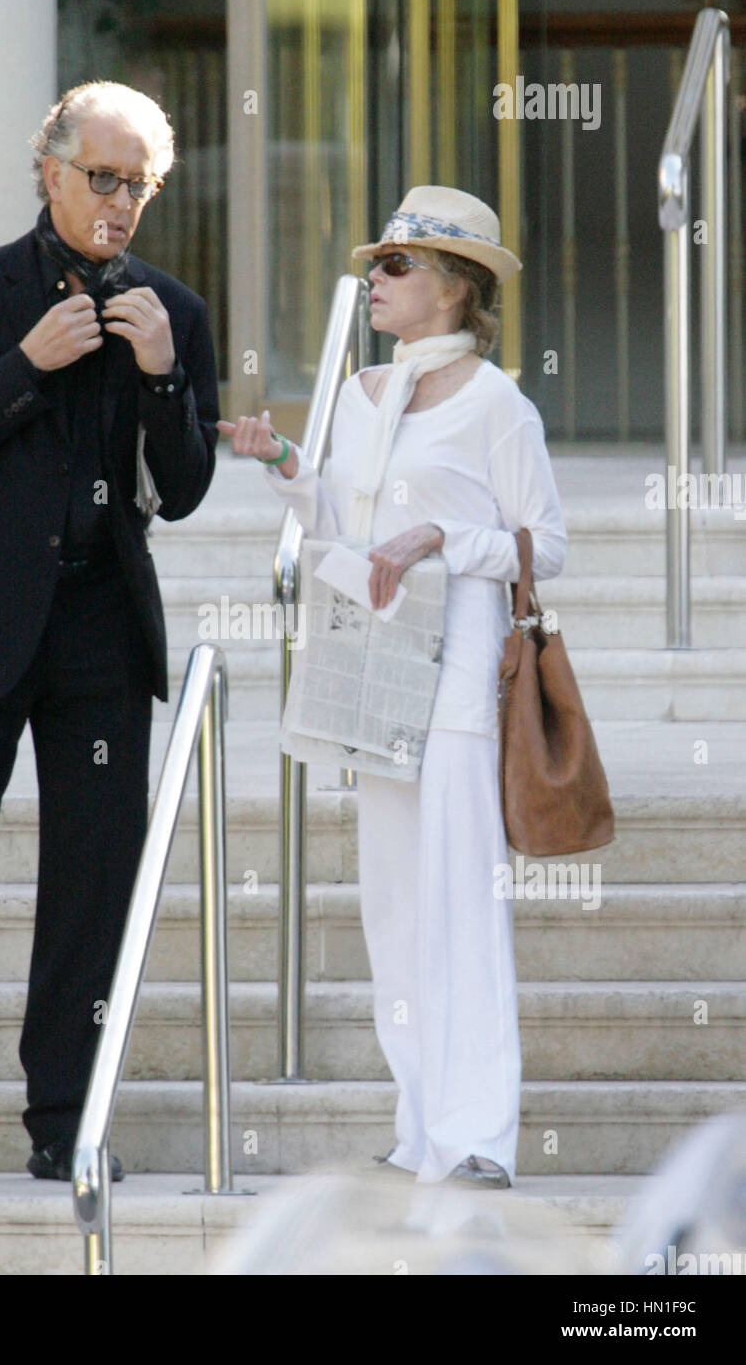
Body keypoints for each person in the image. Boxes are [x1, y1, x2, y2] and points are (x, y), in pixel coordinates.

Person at [0, 81, 219, 1183]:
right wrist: (27, 368)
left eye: (140, 185)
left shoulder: (172, 310)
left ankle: (66, 1118)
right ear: (51, 171)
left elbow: (192, 483)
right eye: (102, 178)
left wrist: (164, 378)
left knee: (91, 883)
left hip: (100, 632)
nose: (120, 203)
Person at [220, 185, 567, 1188]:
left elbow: (550, 544)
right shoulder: (361, 393)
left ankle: (478, 1135)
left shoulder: (499, 404)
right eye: (378, 263)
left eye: (398, 266)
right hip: (368, 661)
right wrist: (286, 464)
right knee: (393, 908)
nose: (375, 278)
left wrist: (441, 537)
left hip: (457, 669)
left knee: (461, 900)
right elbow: (338, 523)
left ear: (455, 289)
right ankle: (420, 1125)